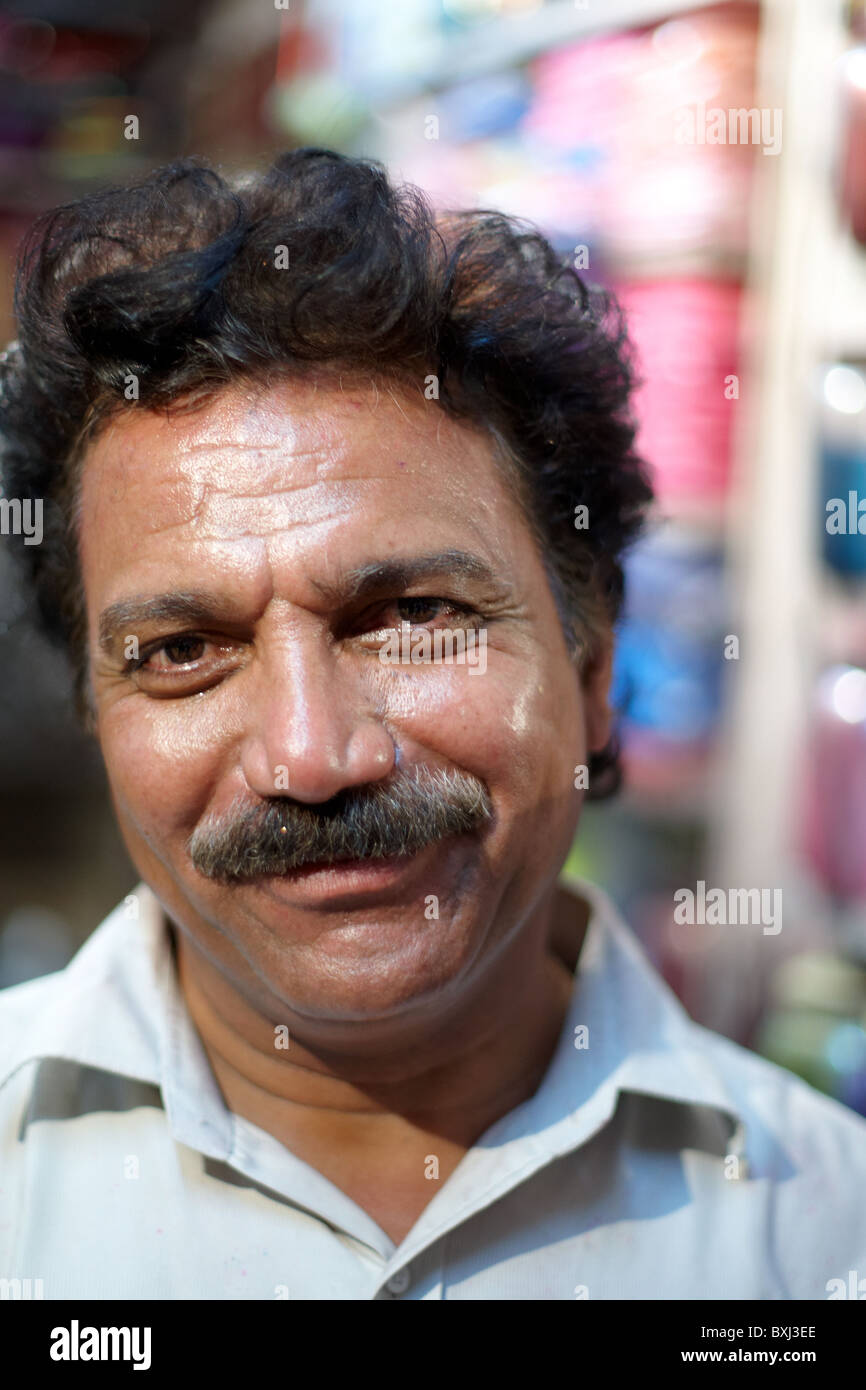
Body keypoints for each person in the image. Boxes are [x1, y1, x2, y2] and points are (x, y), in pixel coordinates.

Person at [0, 148, 864, 1301]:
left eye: (411, 616)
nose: (308, 756)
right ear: (95, 716)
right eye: (183, 652)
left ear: (593, 668)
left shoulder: (820, 1229)